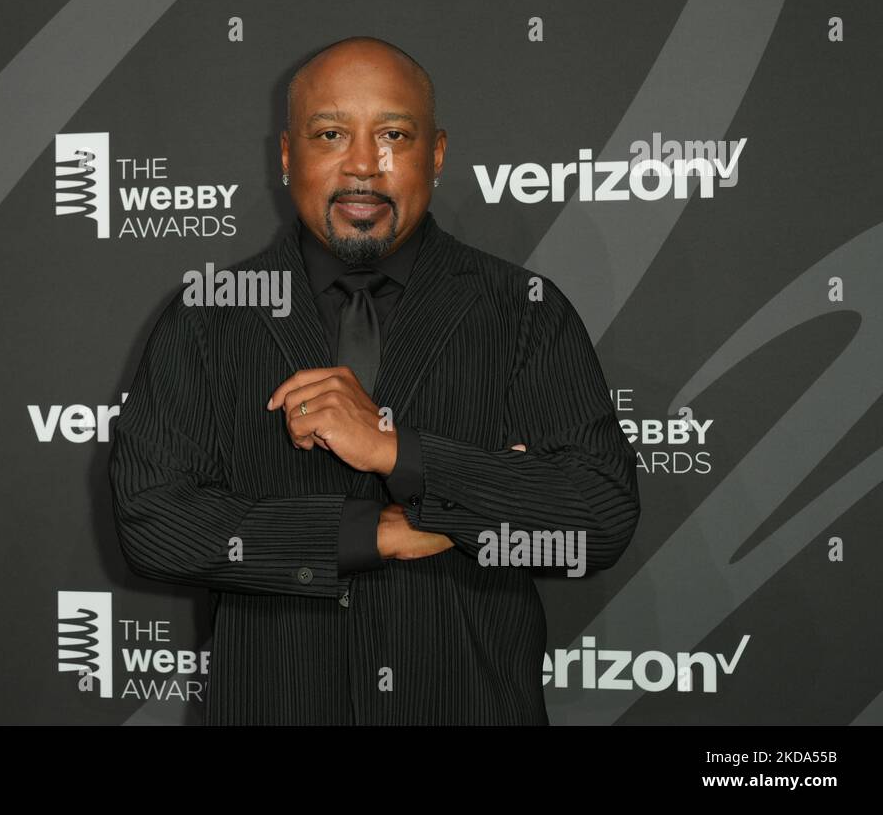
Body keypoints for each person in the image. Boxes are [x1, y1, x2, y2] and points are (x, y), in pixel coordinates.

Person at [108, 36, 640, 724]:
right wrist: (370, 532)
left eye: (394, 134)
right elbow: (154, 522)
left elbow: (594, 520)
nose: (364, 164)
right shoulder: (209, 316)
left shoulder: (523, 311)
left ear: (438, 154)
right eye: (330, 134)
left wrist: (398, 450)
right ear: (287, 156)